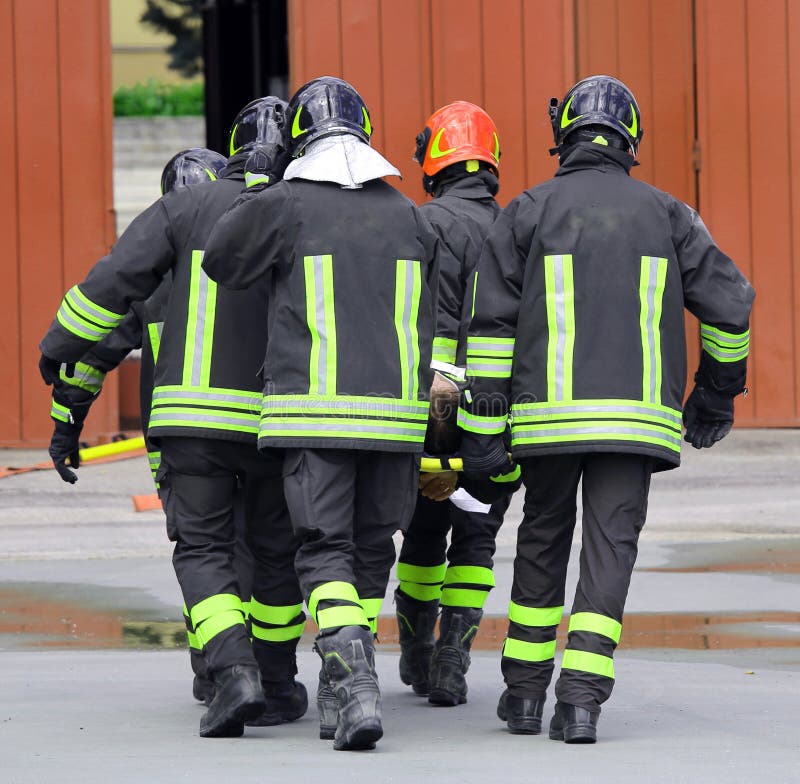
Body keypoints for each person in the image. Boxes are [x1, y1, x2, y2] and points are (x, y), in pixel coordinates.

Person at [459, 74, 755, 743]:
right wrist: (714, 392)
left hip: (546, 421)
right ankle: (583, 702)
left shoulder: (528, 209)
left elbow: (490, 330)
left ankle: (526, 696)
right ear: (631, 139)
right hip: (634, 424)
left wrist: (483, 432)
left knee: (542, 540)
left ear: (563, 134)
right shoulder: (670, 213)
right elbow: (731, 305)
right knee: (609, 549)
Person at [39, 97, 309, 738]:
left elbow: (108, 290)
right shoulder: (303, 213)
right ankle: (274, 681)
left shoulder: (184, 211)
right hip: (277, 423)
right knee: (273, 555)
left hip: (190, 429)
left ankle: (228, 669)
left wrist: (57, 357)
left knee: (205, 550)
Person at [202, 76, 442, 751]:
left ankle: (354, 683)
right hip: (395, 423)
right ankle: (344, 689)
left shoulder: (285, 203)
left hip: (315, 417)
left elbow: (222, 259)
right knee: (371, 548)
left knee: (323, 550)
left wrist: (256, 182)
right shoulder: (408, 212)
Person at [394, 101, 516, 707]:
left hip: (429, 413)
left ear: (432, 160)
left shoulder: (419, 223)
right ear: (490, 161)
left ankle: (416, 654)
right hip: (499, 419)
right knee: (477, 537)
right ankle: (452, 662)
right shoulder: (521, 225)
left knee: (421, 534)